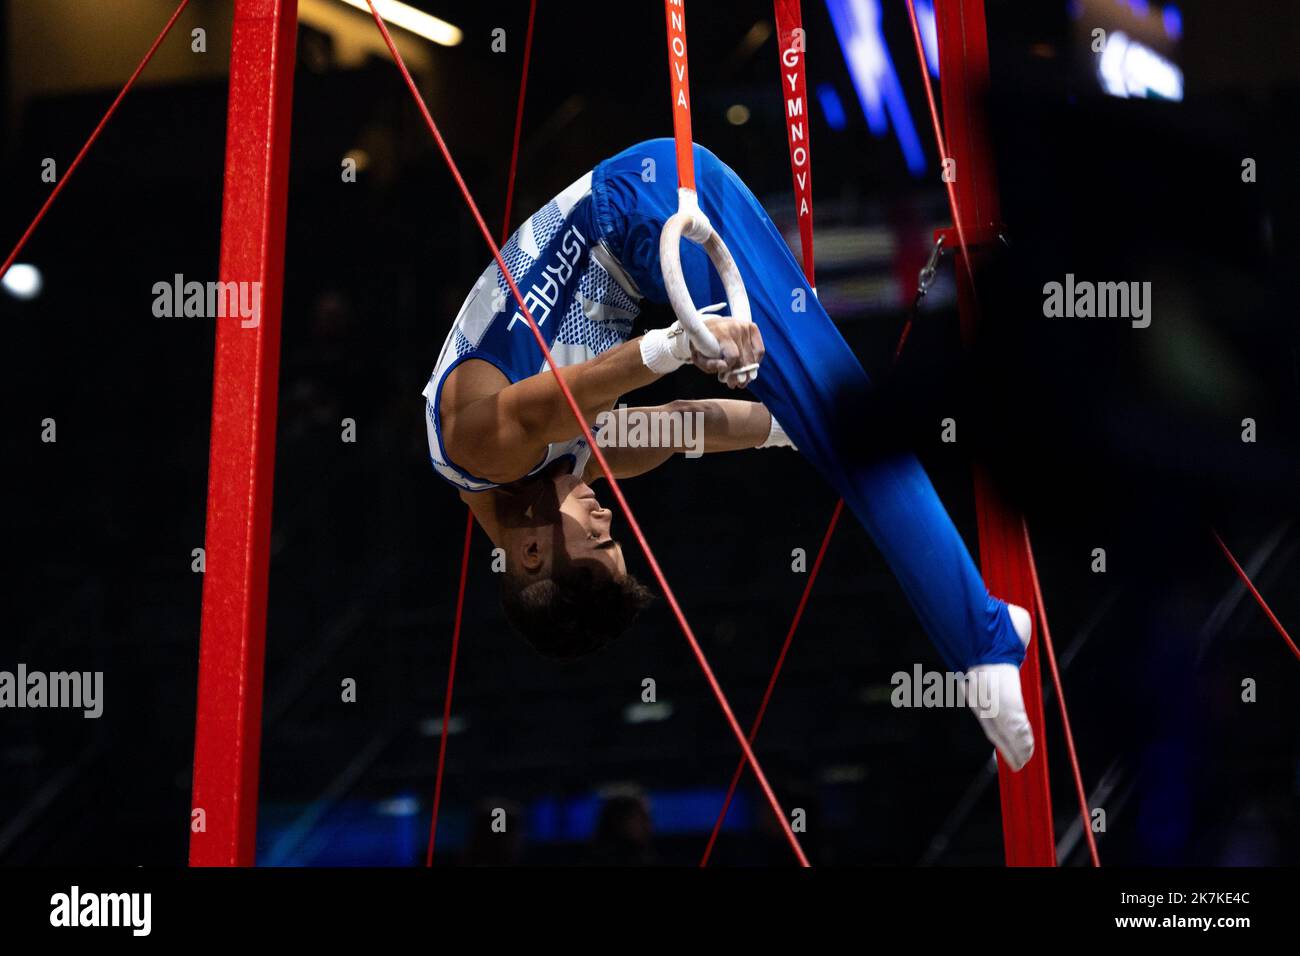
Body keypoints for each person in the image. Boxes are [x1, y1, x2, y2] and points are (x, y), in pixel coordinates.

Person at [423, 139, 1035, 769]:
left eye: (599, 542)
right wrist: (803, 428)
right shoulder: (568, 467)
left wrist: (676, 346)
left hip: (645, 199)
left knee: (840, 424)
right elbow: (690, 425)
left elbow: (547, 403)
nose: (610, 522)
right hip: (649, 238)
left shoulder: (476, 450)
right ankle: (979, 628)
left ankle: (983, 639)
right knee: (839, 429)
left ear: (528, 553)